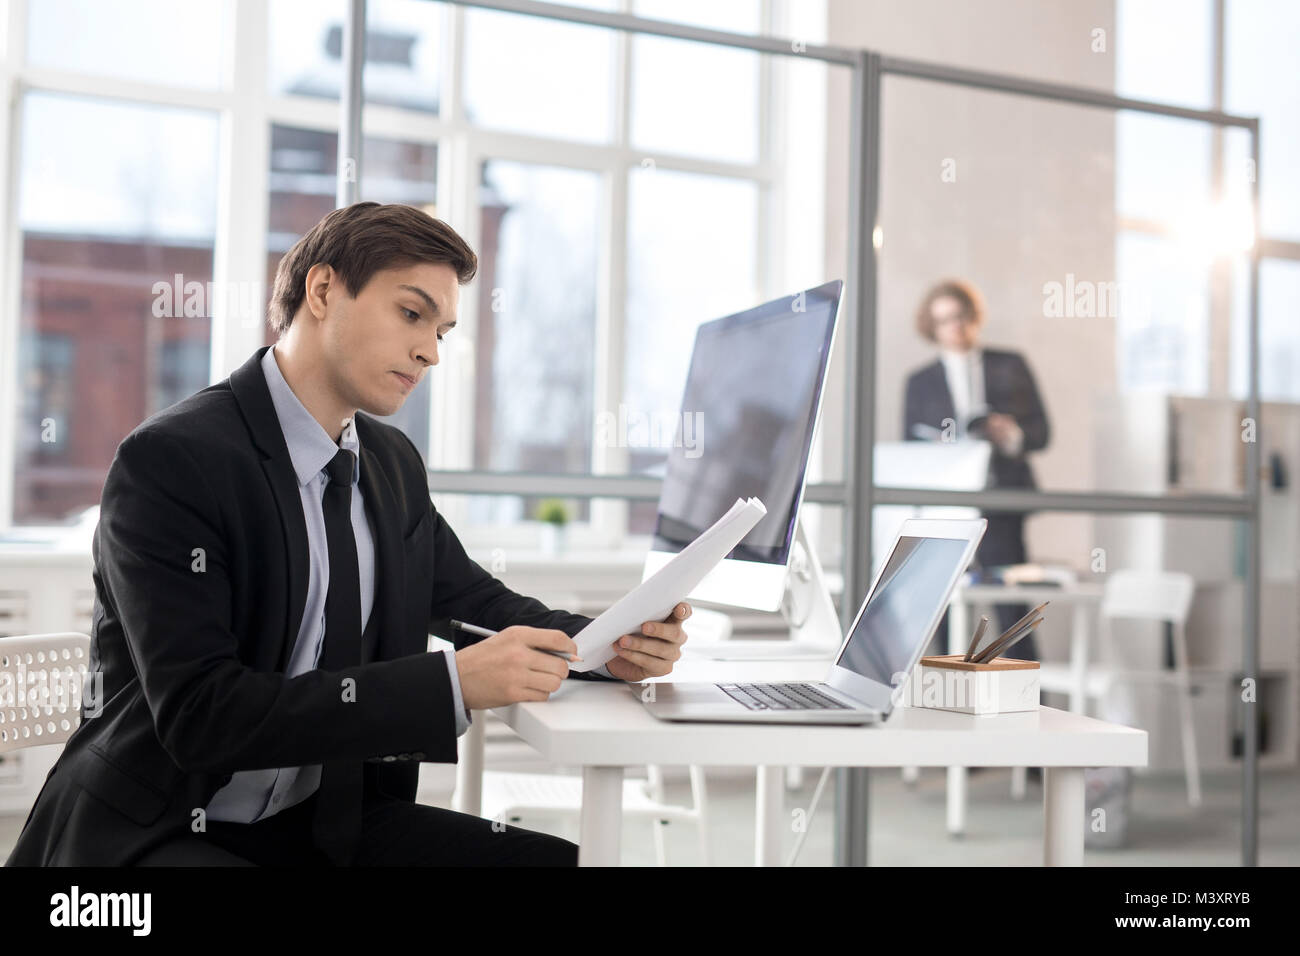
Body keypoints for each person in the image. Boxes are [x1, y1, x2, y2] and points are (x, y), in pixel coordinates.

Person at [5, 202, 691, 867]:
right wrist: (449, 684)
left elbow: (475, 604)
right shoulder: (174, 462)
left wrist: (610, 643)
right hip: (160, 832)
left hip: (320, 827)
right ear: (325, 289)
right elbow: (201, 716)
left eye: (442, 331)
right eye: (412, 313)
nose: (429, 352)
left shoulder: (390, 465)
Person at [902, 278, 1049, 661]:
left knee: (1012, 608)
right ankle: (945, 692)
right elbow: (910, 448)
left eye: (961, 316)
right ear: (932, 327)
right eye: (945, 320)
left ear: (974, 317)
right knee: (946, 603)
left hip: (1002, 502)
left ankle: (1029, 697)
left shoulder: (1010, 365)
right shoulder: (919, 383)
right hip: (947, 506)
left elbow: (1041, 433)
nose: (956, 326)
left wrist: (1010, 433)